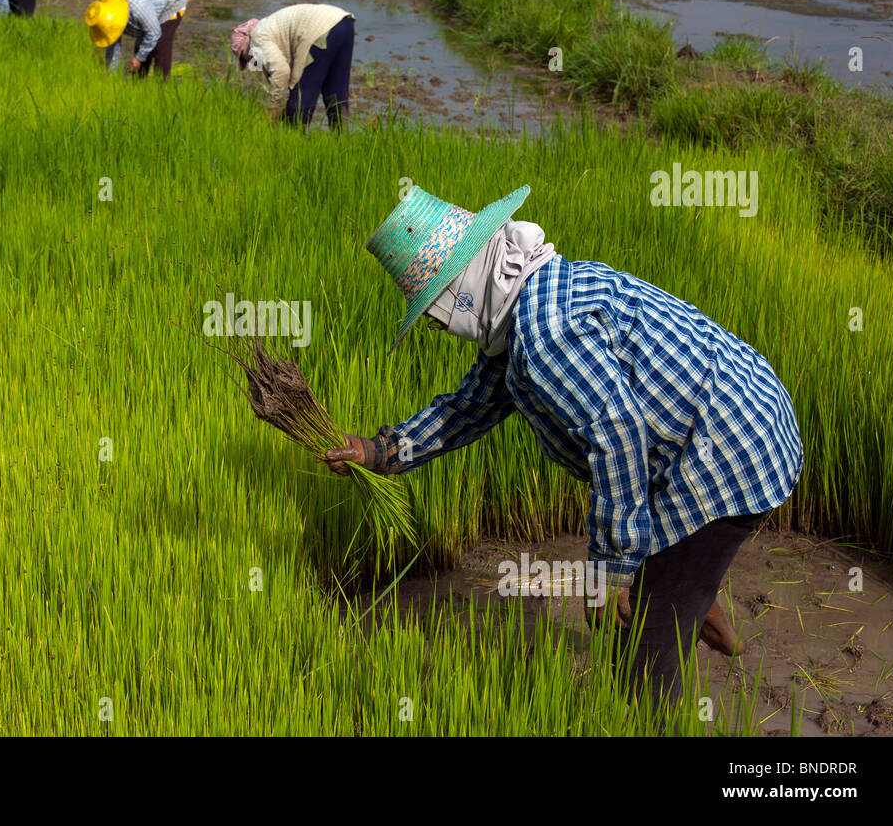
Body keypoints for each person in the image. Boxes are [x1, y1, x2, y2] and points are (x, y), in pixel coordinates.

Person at [325, 185, 803, 707]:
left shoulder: (546, 334)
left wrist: (606, 574)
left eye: (434, 307)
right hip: (735, 415)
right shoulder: (531, 302)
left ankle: (670, 644)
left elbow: (618, 438)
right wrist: (381, 451)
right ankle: (690, 589)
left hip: (733, 449)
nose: (438, 326)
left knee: (643, 655)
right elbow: (469, 408)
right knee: (656, 589)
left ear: (464, 286)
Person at [230, 4, 355, 129]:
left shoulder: (258, 36)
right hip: (344, 22)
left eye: (245, 55)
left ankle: (296, 142)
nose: (250, 61)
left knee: (301, 97)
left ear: (248, 43)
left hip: (320, 30)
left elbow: (281, 72)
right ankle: (342, 143)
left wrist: (273, 108)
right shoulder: (273, 27)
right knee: (336, 93)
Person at [85, 0, 187, 80]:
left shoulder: (138, 9)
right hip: (148, 9)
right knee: (141, 47)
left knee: (160, 44)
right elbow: (113, 49)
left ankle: (161, 88)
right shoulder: (109, 15)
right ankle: (138, 85)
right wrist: (111, 77)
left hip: (172, 2)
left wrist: (138, 58)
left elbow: (154, 33)